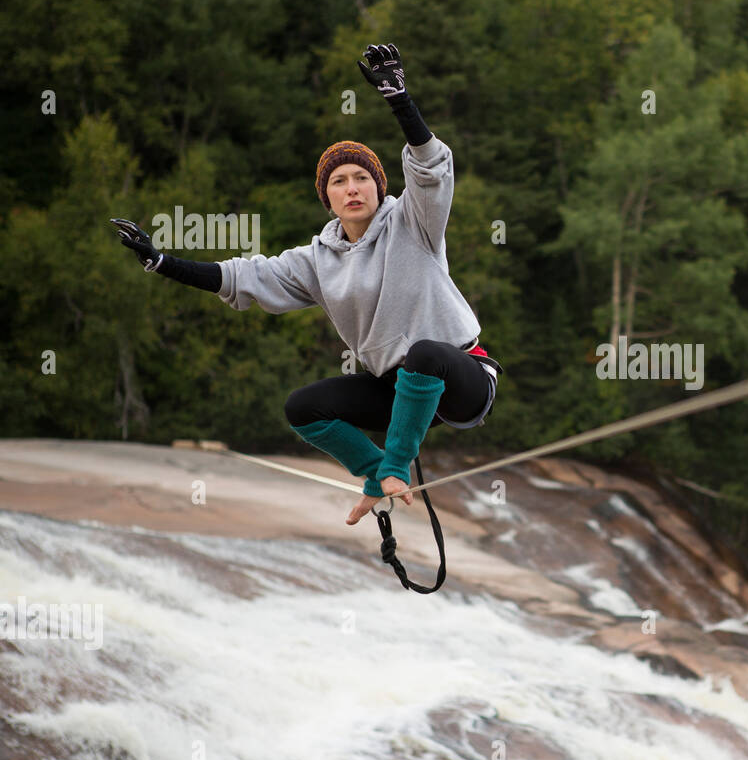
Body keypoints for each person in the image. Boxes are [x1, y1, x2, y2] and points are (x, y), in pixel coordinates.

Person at [111, 43, 500, 527]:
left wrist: (400, 99)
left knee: (423, 352)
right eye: (340, 181)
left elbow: (432, 172)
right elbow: (242, 278)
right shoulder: (316, 260)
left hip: (460, 378)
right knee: (303, 407)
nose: (353, 187)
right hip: (400, 393)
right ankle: (378, 473)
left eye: (362, 177)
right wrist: (162, 262)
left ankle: (395, 464)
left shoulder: (413, 223)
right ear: (328, 197)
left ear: (380, 187)